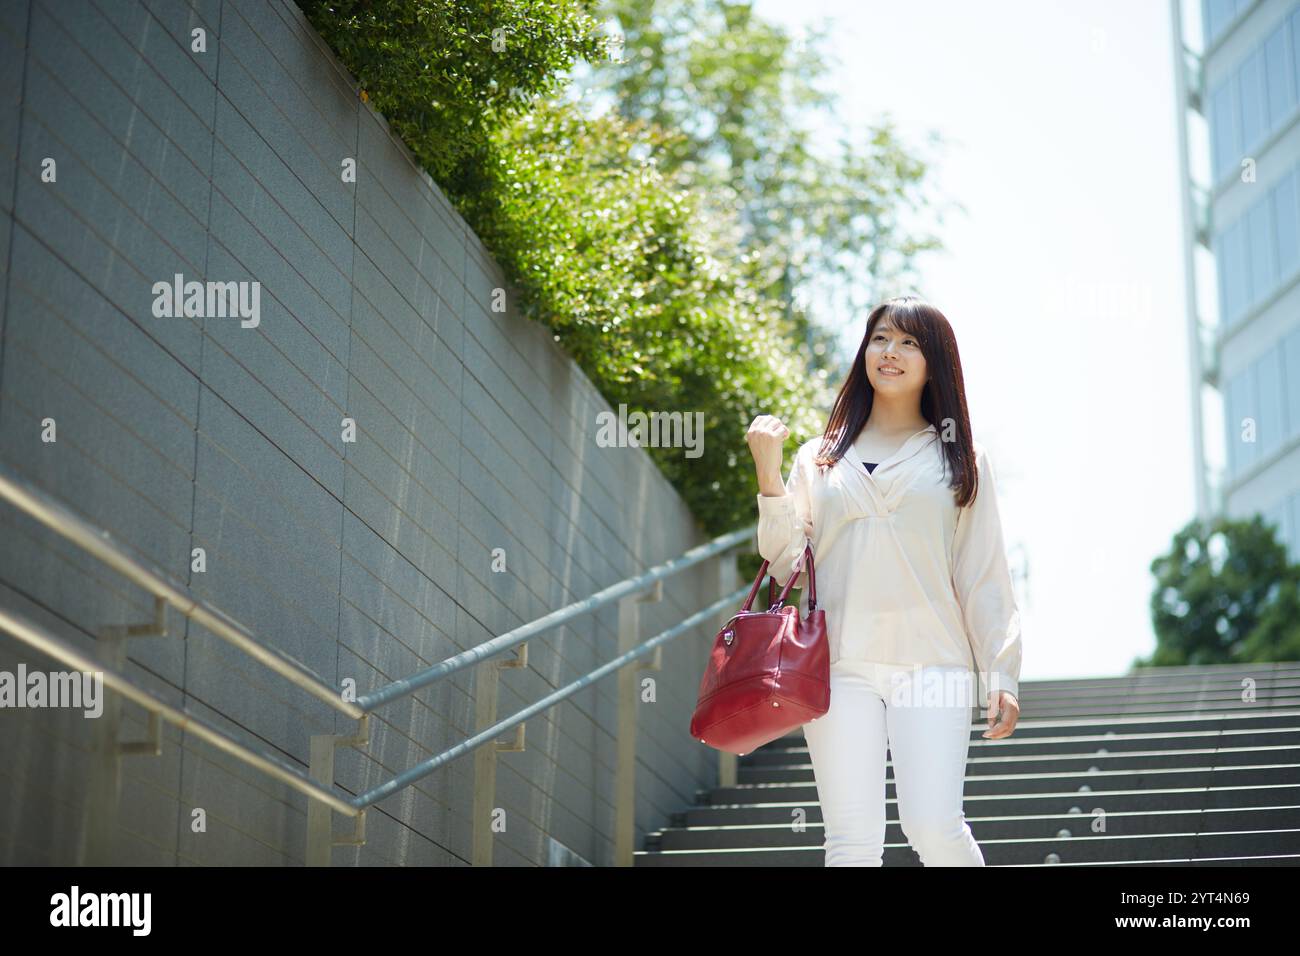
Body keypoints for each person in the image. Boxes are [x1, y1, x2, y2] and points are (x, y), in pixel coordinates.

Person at [746, 295, 1023, 866]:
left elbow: (983, 570)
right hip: (838, 666)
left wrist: (1001, 669)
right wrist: (768, 475)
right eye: (879, 338)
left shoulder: (960, 458)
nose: (889, 352)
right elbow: (785, 565)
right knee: (851, 840)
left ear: (934, 362)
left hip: (934, 664)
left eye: (908, 342)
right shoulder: (817, 459)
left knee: (934, 826)